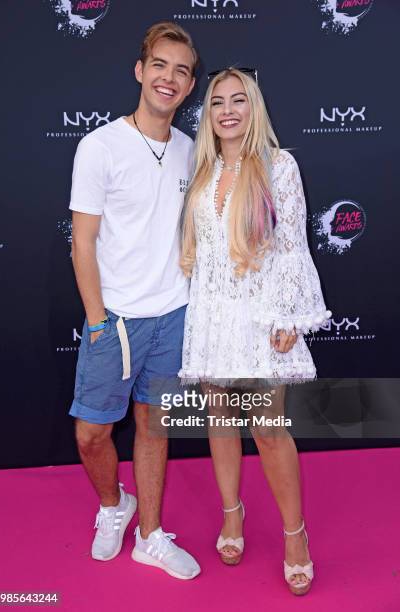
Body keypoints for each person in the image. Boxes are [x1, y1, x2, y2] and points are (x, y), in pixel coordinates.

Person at [179, 67, 331, 594]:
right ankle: (232, 515)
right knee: (220, 423)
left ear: (254, 107)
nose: (227, 110)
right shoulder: (201, 169)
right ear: (207, 113)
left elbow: (293, 245)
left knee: (267, 431)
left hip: (261, 316)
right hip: (211, 314)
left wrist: (287, 313)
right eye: (217, 101)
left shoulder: (277, 165)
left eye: (238, 100)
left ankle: (295, 535)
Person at [68, 21, 201, 580]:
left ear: (189, 86)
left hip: (173, 316)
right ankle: (112, 505)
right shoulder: (99, 146)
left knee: (154, 426)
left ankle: (150, 535)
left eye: (182, 71)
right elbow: (83, 240)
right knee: (91, 434)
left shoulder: (191, 150)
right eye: (160, 66)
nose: (169, 78)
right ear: (140, 71)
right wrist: (98, 320)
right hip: (116, 320)